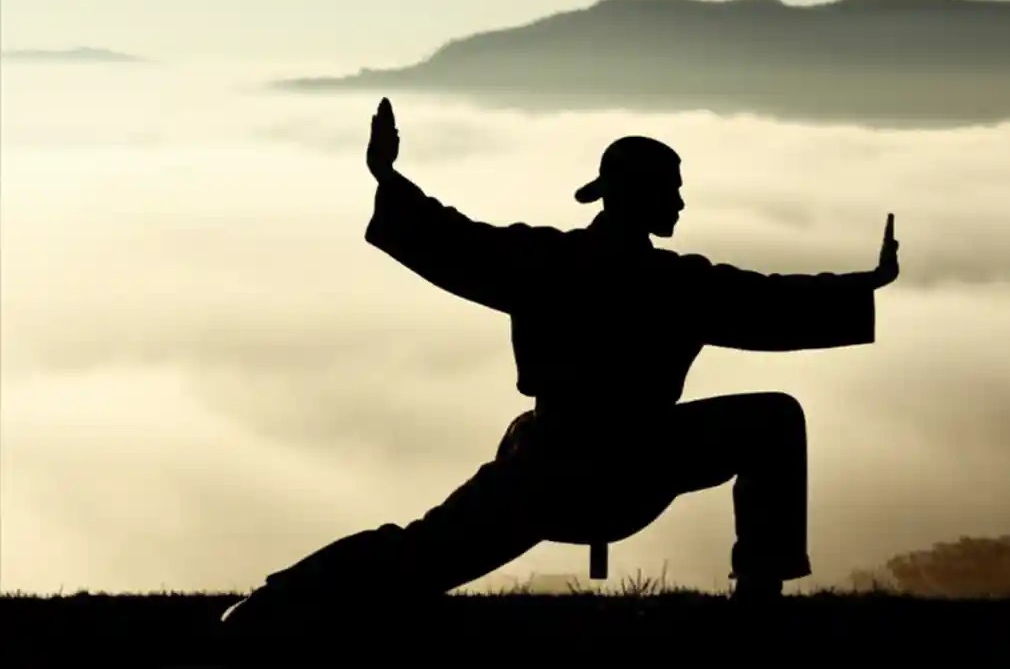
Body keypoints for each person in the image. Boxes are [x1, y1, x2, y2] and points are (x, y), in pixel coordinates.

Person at [221, 97, 899, 632]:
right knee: (774, 420)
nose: (682, 204)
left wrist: (388, 180)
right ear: (641, 195)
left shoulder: (545, 261)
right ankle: (759, 596)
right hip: (626, 466)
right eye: (673, 190)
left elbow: (453, 241)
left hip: (554, 467)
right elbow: (771, 303)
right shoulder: (677, 283)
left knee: (417, 555)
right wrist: (862, 288)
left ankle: (270, 607)